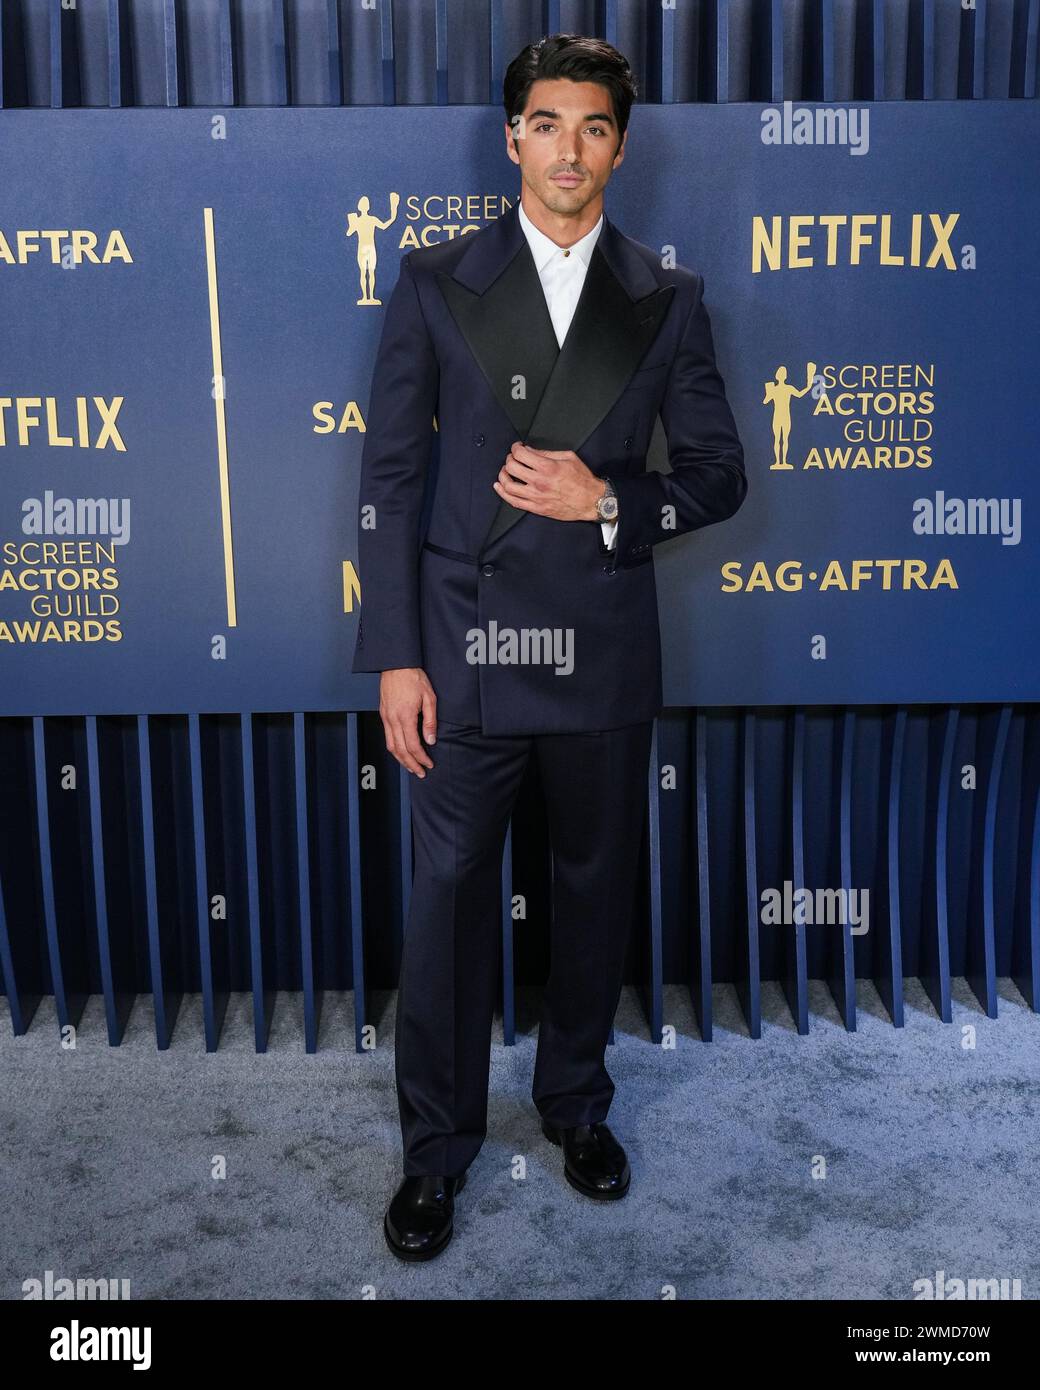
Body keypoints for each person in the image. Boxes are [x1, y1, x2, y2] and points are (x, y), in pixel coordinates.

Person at [352, 32, 748, 1261]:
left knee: (589, 902)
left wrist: (609, 499)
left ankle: (577, 1108)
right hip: (462, 658)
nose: (567, 147)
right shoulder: (432, 279)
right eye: (544, 122)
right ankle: (435, 1154)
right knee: (446, 912)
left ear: (617, 150)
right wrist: (394, 657)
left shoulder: (667, 299)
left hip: (599, 655)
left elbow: (721, 477)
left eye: (591, 127)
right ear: (510, 136)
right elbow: (390, 475)